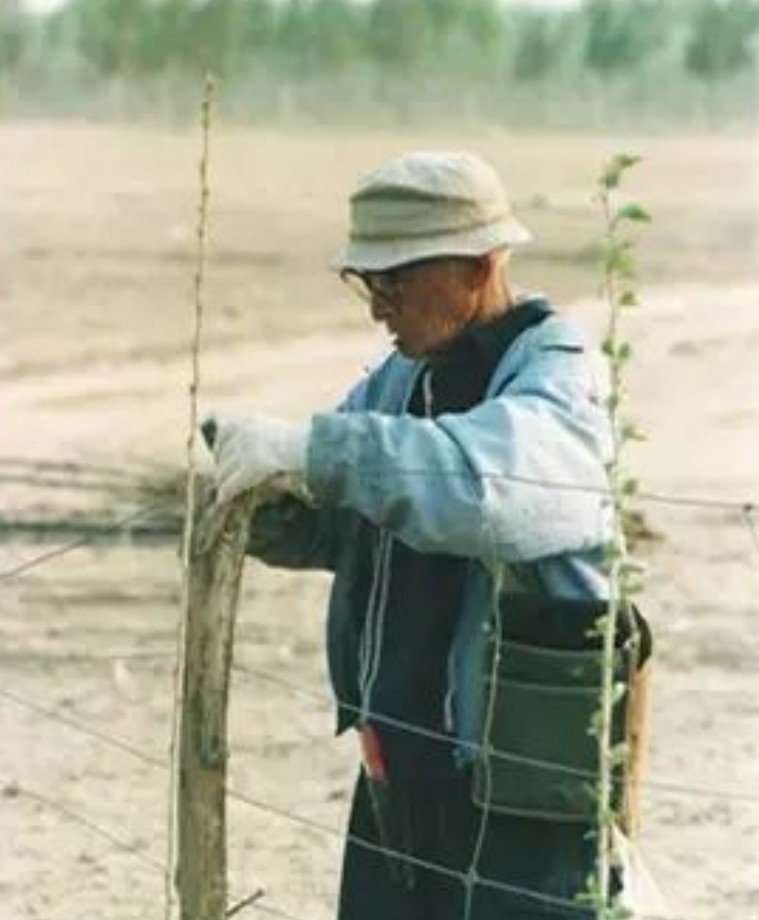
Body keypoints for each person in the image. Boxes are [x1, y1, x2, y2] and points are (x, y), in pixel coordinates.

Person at [204, 151, 630, 919]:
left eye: (394, 279)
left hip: (518, 787)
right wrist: (272, 512)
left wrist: (311, 448)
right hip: (398, 770)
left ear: (480, 263)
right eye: (367, 282)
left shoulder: (561, 379)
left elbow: (484, 491)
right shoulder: (400, 380)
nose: (377, 306)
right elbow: (353, 524)